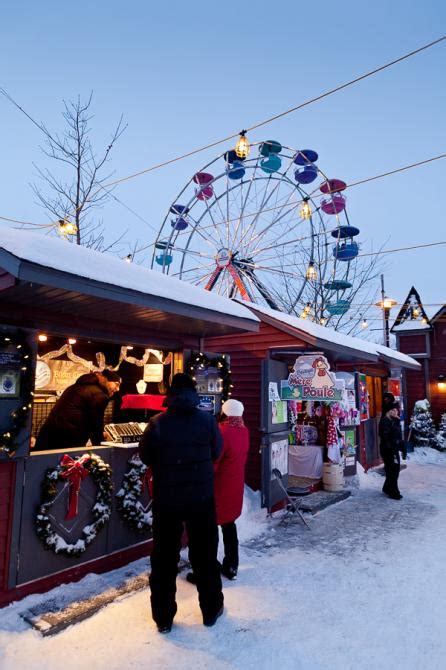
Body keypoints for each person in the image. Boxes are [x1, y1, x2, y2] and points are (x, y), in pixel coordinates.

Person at [138, 372, 224, 633]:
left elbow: (145, 456)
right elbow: (216, 451)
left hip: (168, 500)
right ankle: (211, 609)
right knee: (205, 554)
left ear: (171, 394)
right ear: (194, 393)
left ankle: (163, 618)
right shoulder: (207, 421)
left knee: (164, 558)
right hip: (201, 498)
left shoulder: (157, 423)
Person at [187, 398, 249, 583]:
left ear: (224, 412)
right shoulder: (243, 431)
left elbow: (214, 461)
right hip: (234, 487)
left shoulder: (222, 432)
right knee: (229, 526)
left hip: (218, 488)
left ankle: (205, 571)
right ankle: (231, 565)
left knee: (207, 531)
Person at [35, 369, 121, 451]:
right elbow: (95, 425)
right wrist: (102, 447)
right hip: (66, 441)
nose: (118, 389)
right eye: (116, 384)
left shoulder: (75, 387)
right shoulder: (98, 394)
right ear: (105, 379)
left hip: (49, 435)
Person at [379, 401, 406, 500]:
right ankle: (393, 491)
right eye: (393, 410)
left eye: (396, 410)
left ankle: (387, 488)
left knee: (394, 470)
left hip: (394, 448)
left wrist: (401, 447)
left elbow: (398, 436)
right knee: (392, 470)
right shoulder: (385, 421)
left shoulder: (394, 421)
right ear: (388, 411)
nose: (395, 412)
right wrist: (392, 447)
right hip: (388, 449)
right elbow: (386, 436)